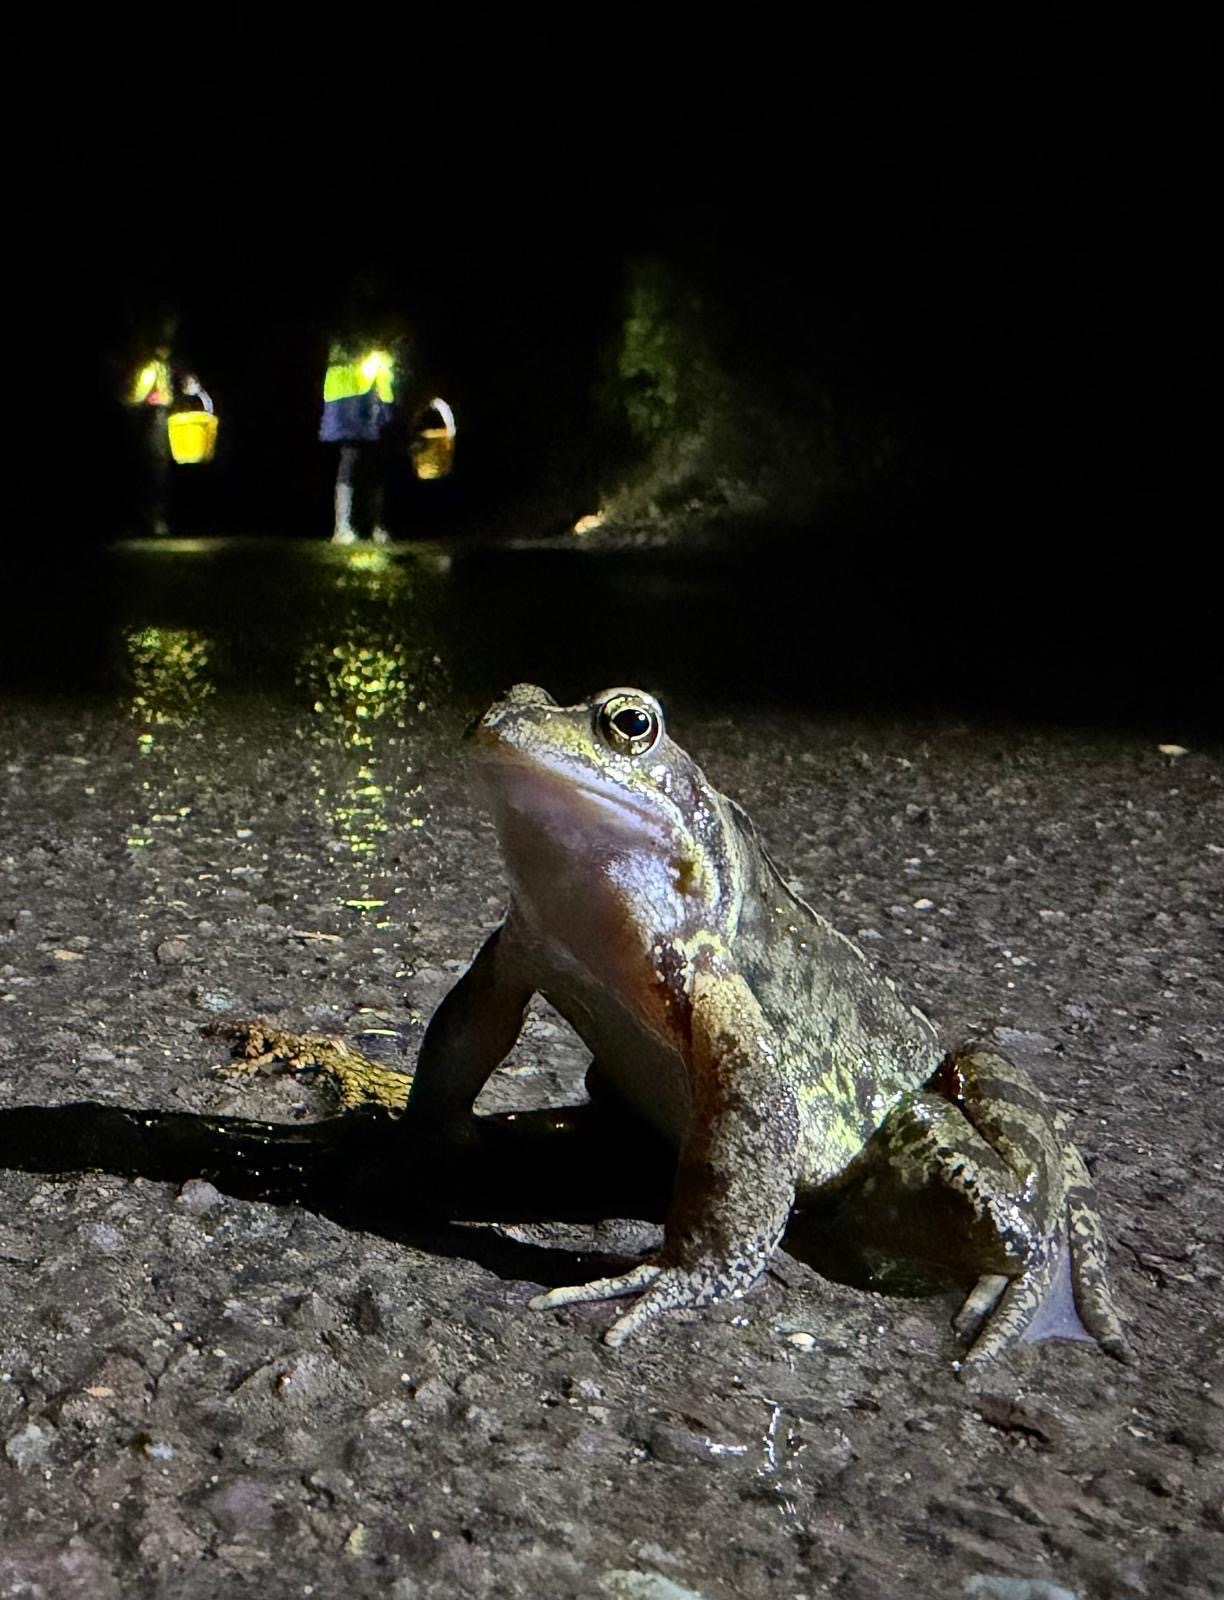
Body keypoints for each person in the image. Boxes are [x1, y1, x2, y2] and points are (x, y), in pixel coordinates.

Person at [319, 335, 406, 544]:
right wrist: (387, 412)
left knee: (358, 467)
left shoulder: (338, 355)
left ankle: (350, 527)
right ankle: (366, 527)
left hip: (352, 416)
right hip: (362, 414)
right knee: (368, 468)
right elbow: (379, 387)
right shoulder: (375, 358)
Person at [127, 326, 213, 536]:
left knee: (160, 469)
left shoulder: (167, 364)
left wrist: (188, 384)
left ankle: (157, 519)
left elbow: (181, 379)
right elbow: (136, 396)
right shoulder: (150, 365)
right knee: (153, 467)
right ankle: (150, 520)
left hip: (162, 418)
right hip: (149, 418)